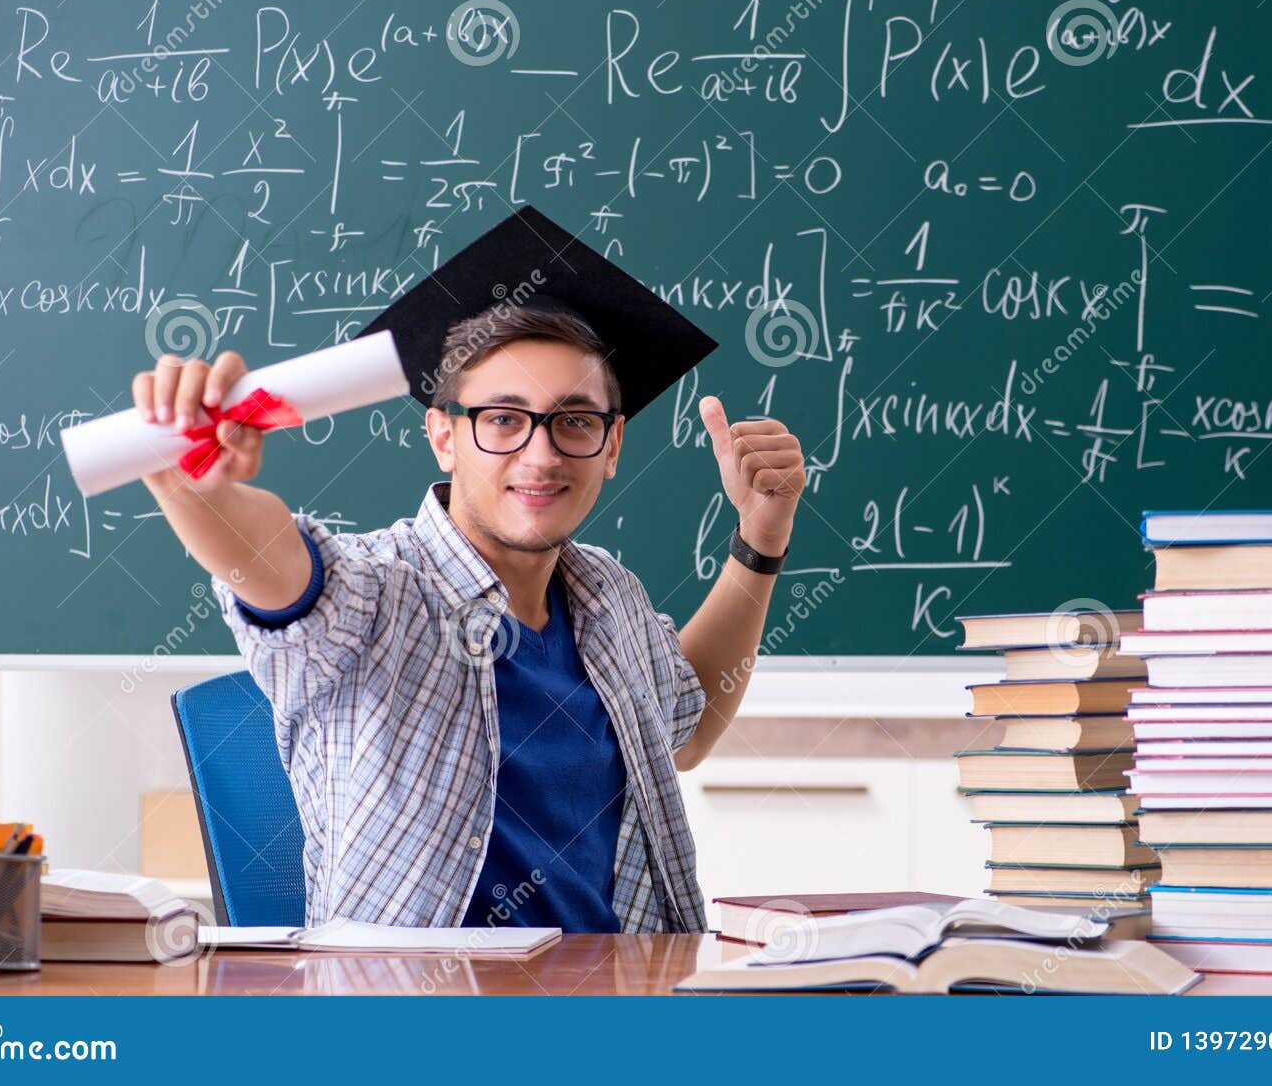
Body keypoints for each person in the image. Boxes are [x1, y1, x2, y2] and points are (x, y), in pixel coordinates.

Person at [135, 206, 807, 933]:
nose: (541, 454)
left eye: (574, 420)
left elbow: (690, 725)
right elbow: (270, 562)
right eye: (503, 418)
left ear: (613, 447)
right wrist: (197, 490)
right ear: (443, 437)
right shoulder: (378, 592)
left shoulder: (609, 597)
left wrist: (759, 538)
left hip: (621, 999)